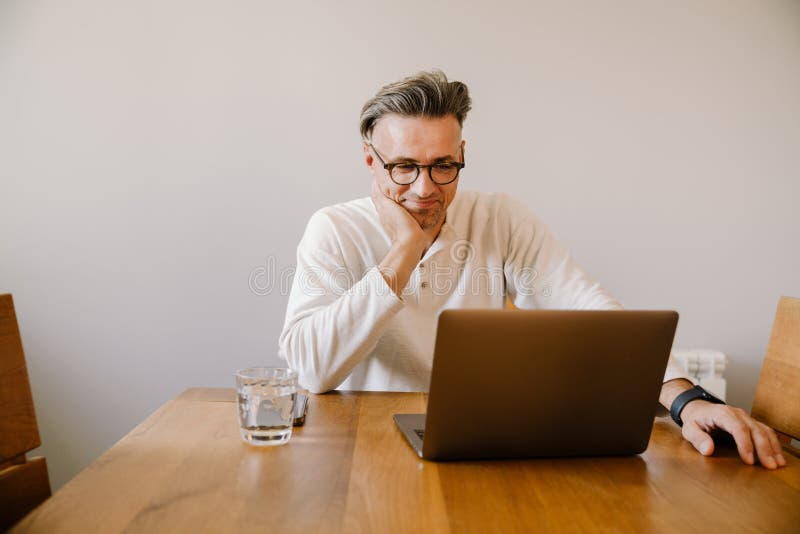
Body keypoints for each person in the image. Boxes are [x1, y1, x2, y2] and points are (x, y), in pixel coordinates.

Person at [279, 70, 786, 470]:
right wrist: (405, 250)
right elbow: (311, 370)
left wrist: (687, 401)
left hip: (482, 445)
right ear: (371, 163)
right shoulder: (334, 229)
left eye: (443, 165)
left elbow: (591, 312)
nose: (425, 188)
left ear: (462, 155)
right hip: (363, 452)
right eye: (403, 167)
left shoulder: (499, 216)